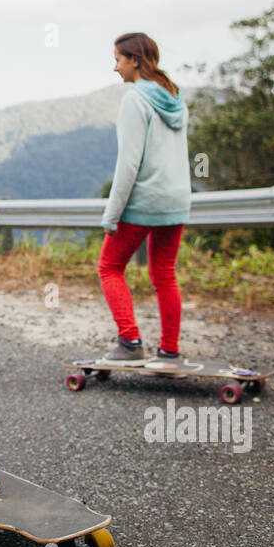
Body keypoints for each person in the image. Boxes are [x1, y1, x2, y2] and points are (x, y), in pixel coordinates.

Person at [98, 32, 192, 365]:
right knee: (164, 273)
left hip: (145, 200)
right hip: (177, 199)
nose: (115, 68)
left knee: (109, 267)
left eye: (118, 59)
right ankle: (169, 350)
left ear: (134, 60)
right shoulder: (175, 98)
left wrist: (111, 214)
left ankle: (130, 342)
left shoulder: (136, 99)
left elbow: (129, 163)